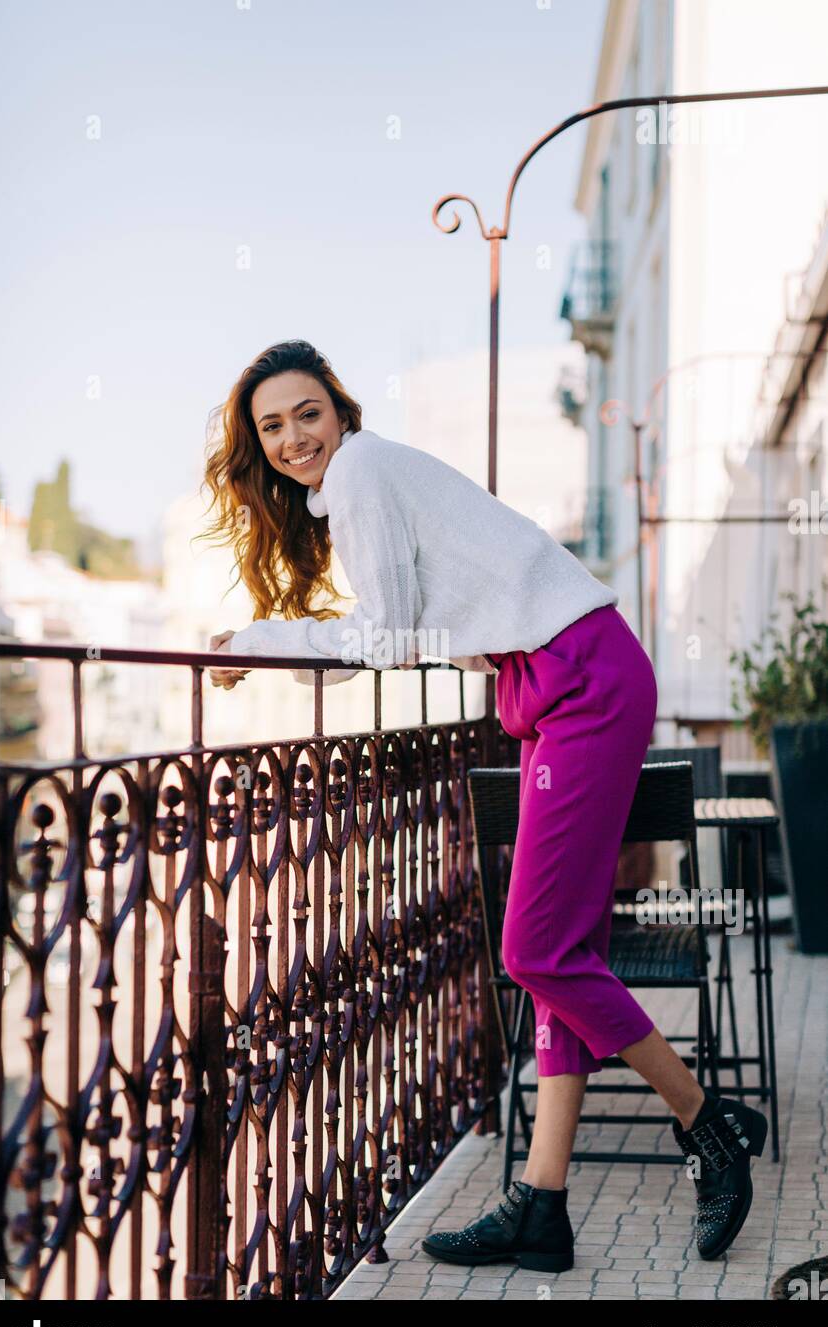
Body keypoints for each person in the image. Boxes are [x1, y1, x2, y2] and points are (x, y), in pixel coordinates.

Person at [201, 338, 768, 1273]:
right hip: (559, 683)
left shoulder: (366, 469)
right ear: (258, 445)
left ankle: (706, 1124)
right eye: (272, 426)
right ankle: (542, 1206)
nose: (295, 436)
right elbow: (415, 632)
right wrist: (278, 640)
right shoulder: (356, 486)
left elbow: (381, 641)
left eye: (308, 412)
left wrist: (262, 638)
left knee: (532, 951)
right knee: (561, 957)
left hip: (580, 680)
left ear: (340, 410)